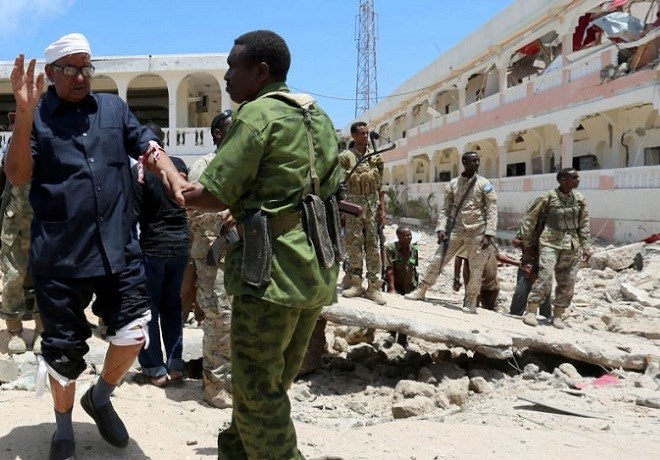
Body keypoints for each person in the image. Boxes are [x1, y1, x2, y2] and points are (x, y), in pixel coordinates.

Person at [5, 33, 188, 460]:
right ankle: (63, 430)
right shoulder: (38, 117)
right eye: (70, 68)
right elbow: (17, 174)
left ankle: (101, 396)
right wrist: (25, 115)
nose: (81, 76)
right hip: (60, 256)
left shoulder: (112, 109)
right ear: (51, 73)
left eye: (86, 67)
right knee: (62, 352)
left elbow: (147, 146)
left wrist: (170, 172)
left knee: (135, 332)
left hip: (117, 249)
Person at [182, 30, 341, 459]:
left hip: (269, 277)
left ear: (261, 71)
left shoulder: (256, 116)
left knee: (255, 392)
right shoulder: (318, 117)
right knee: (268, 387)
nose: (226, 77)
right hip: (314, 271)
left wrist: (173, 182)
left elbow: (211, 194)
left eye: (233, 67)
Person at [132, 123, 190, 387]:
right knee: (172, 307)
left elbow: (134, 212)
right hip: (180, 247)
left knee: (148, 311)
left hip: (153, 248)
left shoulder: (140, 171)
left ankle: (154, 369)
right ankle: (175, 365)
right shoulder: (179, 165)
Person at [405, 151, 497, 314]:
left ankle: (471, 299)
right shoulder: (453, 185)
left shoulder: (485, 184)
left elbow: (492, 209)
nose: (476, 163)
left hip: (477, 230)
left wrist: (489, 233)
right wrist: (441, 228)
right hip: (456, 228)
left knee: (476, 267)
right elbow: (445, 209)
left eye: (478, 161)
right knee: (438, 259)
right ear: (464, 162)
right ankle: (422, 289)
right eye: (473, 161)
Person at [186, 109, 234, 409]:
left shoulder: (240, 166)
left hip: (239, 256)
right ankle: (214, 386)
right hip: (213, 255)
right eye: (231, 129)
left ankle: (233, 382)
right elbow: (192, 211)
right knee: (218, 319)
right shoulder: (203, 167)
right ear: (217, 134)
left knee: (238, 320)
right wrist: (226, 215)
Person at [519, 168, 592, 329]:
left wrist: (586, 246)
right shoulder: (547, 197)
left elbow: (584, 223)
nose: (578, 180)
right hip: (550, 243)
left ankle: (558, 314)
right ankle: (531, 310)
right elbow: (529, 219)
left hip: (571, 245)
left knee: (567, 281)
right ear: (563, 180)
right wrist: (527, 243)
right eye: (574, 177)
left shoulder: (580, 199)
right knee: (545, 276)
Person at [1, 111, 42, 355]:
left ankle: (41, 328)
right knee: (13, 276)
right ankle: (14, 329)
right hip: (14, 226)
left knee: (43, 278)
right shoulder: (10, 153)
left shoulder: (47, 151)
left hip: (42, 226)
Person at [339, 121, 387, 305]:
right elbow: (339, 184)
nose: (366, 136)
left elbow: (381, 186)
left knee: (373, 246)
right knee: (354, 245)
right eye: (362, 133)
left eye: (367, 133)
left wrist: (382, 211)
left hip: (372, 207)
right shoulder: (346, 157)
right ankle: (356, 284)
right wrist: (342, 210)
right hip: (353, 207)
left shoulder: (376, 157)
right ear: (353, 136)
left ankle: (374, 287)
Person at [383, 225, 419, 347]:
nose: (409, 237)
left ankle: (403, 340)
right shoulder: (391, 248)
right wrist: (392, 289)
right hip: (396, 284)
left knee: (407, 313)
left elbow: (414, 268)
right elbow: (389, 269)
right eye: (406, 235)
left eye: (410, 235)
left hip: (410, 286)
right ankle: (392, 335)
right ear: (399, 237)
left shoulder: (414, 248)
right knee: (395, 310)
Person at [508, 232, 552, 317]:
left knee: (545, 292)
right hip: (527, 263)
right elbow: (515, 242)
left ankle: (545, 317)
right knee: (521, 291)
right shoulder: (528, 228)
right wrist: (524, 244)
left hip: (545, 263)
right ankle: (515, 314)